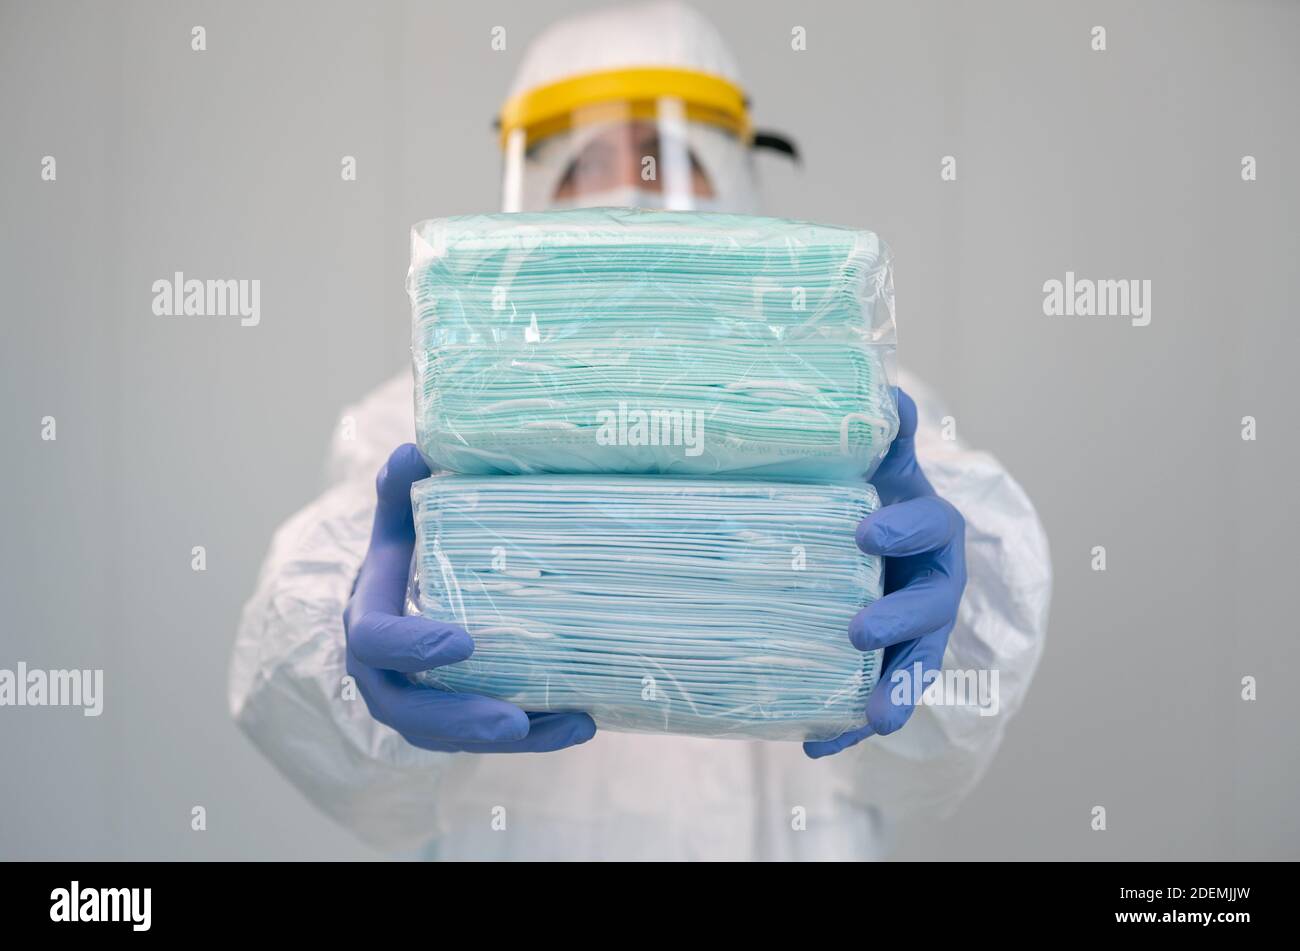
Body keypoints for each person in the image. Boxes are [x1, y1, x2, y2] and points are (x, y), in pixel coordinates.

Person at [229, 0, 1051, 860]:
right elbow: (282, 648)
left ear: (737, 173)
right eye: (586, 163)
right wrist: (350, 651)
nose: (632, 194)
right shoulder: (440, 409)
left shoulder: (850, 403)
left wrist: (944, 618)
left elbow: (949, 705)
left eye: (671, 158)